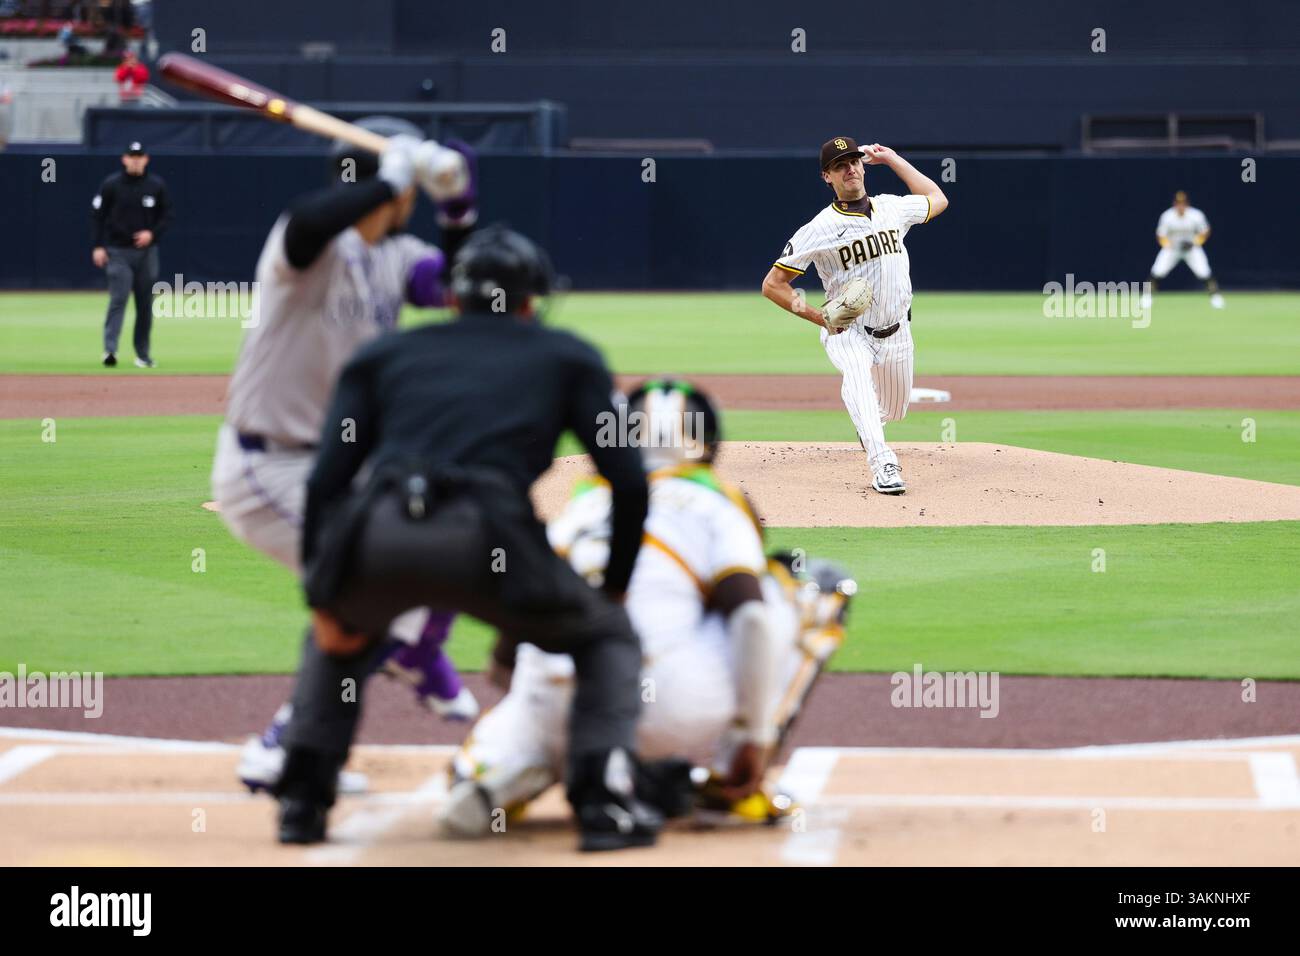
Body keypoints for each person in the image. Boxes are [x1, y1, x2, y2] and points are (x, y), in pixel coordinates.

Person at [285, 226, 662, 852]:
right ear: (529, 303)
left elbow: (325, 481)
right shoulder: (567, 357)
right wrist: (615, 589)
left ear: (453, 299)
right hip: (492, 535)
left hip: (380, 530)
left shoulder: (384, 355)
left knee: (335, 644)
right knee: (605, 639)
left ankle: (300, 804)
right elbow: (628, 480)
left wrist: (321, 593)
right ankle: (602, 808)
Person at [439, 379, 856, 837]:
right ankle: (731, 788)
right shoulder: (714, 501)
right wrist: (754, 733)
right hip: (668, 707)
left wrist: (527, 702)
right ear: (708, 443)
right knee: (816, 585)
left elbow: (510, 639)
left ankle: (517, 765)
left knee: (543, 696)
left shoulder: (583, 505)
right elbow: (751, 618)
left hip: (548, 702)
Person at [209, 119, 481, 795]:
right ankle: (292, 741)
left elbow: (460, 292)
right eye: (407, 190)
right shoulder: (307, 246)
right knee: (383, 586)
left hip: (332, 471)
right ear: (383, 187)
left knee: (422, 562)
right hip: (266, 466)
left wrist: (457, 210)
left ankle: (308, 736)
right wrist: (393, 174)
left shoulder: (394, 255)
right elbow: (307, 221)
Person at [761, 136, 948, 495]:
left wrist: (893, 159)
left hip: (897, 332)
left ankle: (868, 425)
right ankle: (883, 464)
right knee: (858, 379)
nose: (850, 168)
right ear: (826, 177)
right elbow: (773, 285)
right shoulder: (818, 228)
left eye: (854, 161)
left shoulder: (891, 208)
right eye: (839, 165)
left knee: (894, 410)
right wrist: (820, 317)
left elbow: (938, 199)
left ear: (863, 166)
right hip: (849, 331)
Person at [91, 140, 171, 368]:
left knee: (145, 304)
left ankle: (143, 355)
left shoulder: (156, 185)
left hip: (147, 253)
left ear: (146, 159)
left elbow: (167, 216)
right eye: (132, 156)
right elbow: (97, 215)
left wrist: (152, 234)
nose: (135, 160)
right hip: (118, 251)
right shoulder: (112, 185)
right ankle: (110, 350)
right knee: (119, 299)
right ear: (124, 159)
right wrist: (98, 246)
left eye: (140, 156)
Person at [1141, 191, 1224, 310]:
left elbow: (1205, 231)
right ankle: (1146, 298)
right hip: (1172, 249)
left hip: (1191, 249)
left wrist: (1195, 242)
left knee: (1204, 272)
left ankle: (1216, 298)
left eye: (1183, 203)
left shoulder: (1196, 215)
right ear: (1174, 204)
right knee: (1156, 271)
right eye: (1178, 203)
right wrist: (1168, 244)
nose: (1181, 205)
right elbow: (1161, 235)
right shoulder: (1167, 216)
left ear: (1187, 203)